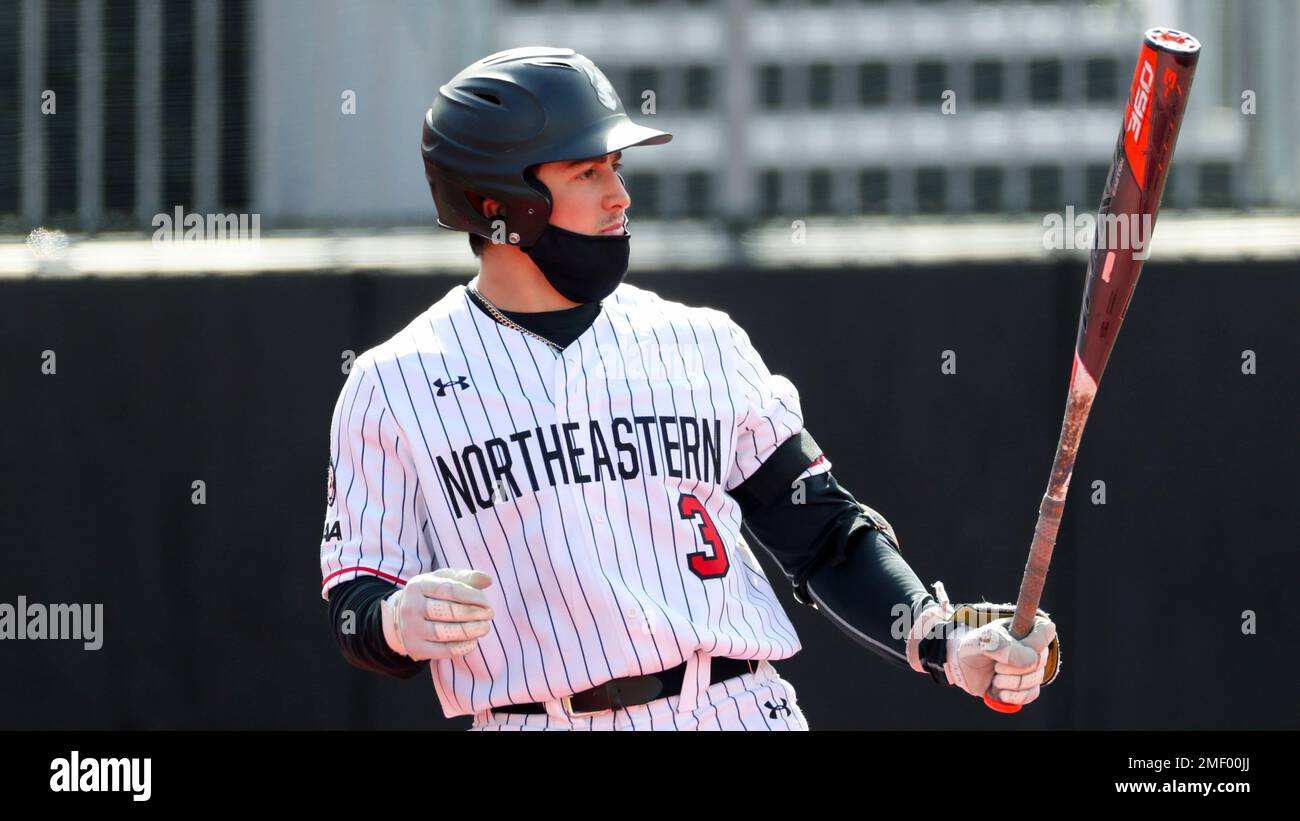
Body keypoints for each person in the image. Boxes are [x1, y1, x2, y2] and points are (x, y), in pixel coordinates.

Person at [319, 46, 1060, 731]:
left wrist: (941, 640)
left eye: (616, 167)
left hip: (732, 706)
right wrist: (390, 620)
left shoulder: (701, 343)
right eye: (587, 172)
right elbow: (355, 604)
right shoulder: (394, 383)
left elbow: (826, 536)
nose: (619, 195)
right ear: (498, 204)